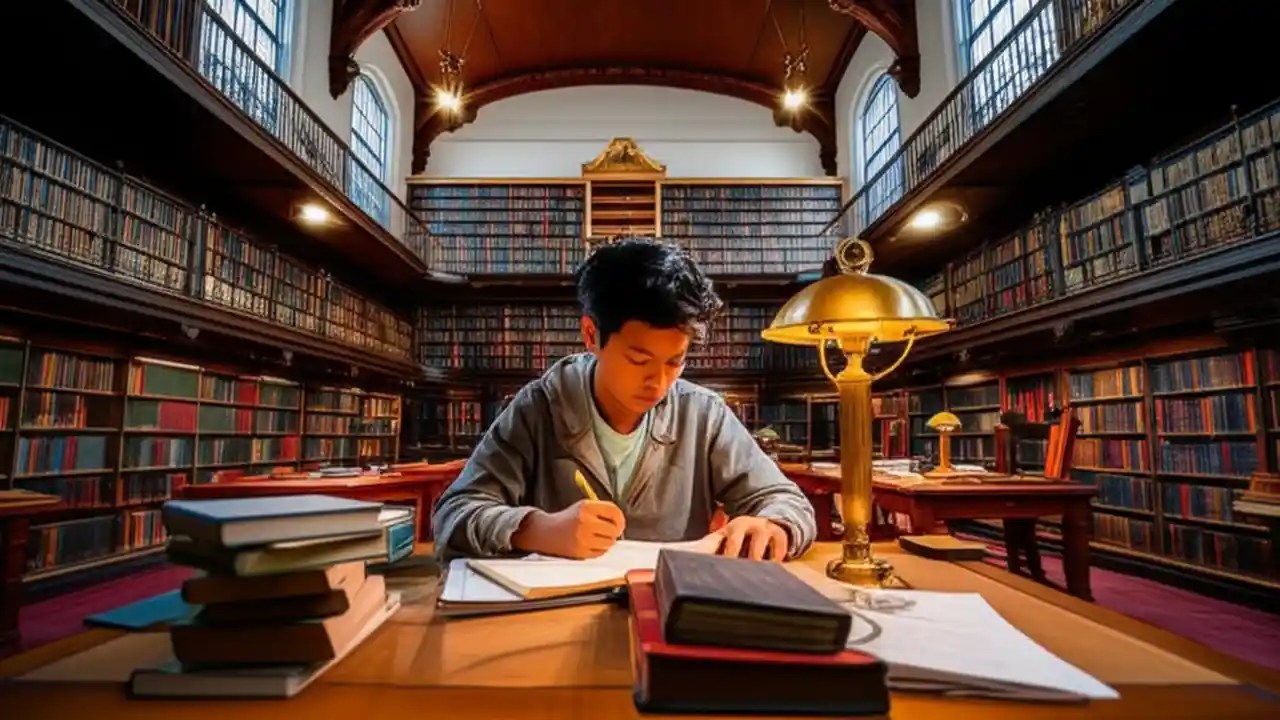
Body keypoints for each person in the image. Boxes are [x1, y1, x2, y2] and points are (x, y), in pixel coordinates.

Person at [432, 236, 817, 563]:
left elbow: (787, 503)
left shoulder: (702, 414)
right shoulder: (539, 407)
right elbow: (452, 515)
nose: (659, 382)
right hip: (555, 618)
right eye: (638, 359)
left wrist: (773, 524)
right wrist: (535, 529)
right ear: (590, 334)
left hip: (672, 610)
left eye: (675, 361)